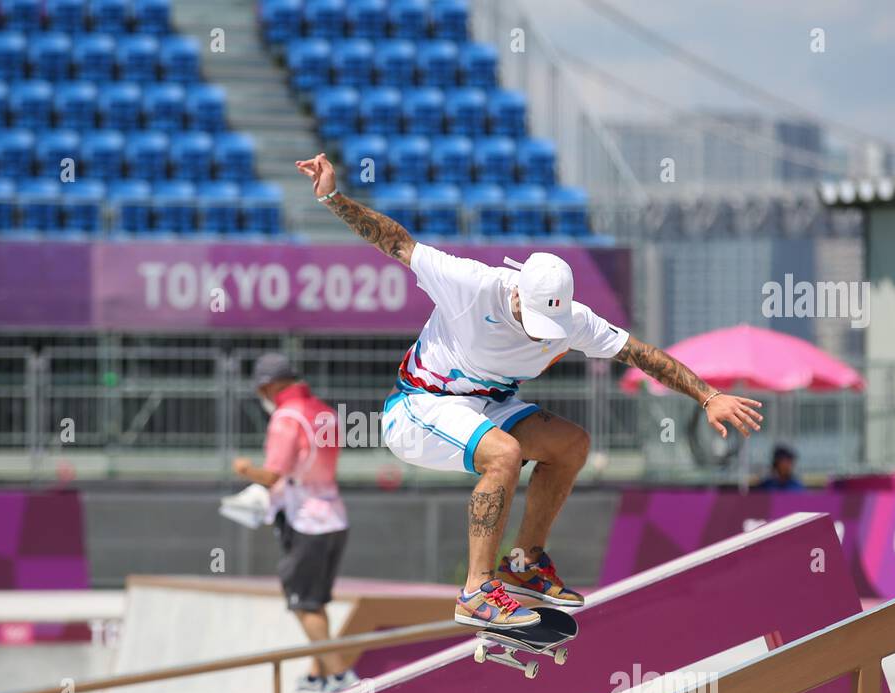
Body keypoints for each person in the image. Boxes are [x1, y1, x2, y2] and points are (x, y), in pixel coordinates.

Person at [295, 152, 764, 628]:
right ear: (517, 292)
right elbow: (395, 243)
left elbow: (640, 354)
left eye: (549, 327)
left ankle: (524, 564)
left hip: (487, 407)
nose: (542, 335)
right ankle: (476, 591)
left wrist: (708, 395)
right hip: (419, 407)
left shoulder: (572, 321)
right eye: (533, 322)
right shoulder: (471, 284)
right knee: (504, 454)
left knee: (571, 444)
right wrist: (333, 196)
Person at [232, 353, 357, 691]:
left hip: (306, 521)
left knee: (304, 604)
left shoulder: (287, 417)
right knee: (317, 601)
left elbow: (273, 475)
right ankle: (318, 675)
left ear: (270, 386)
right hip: (334, 516)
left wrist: (244, 469)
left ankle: (341, 676)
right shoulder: (325, 412)